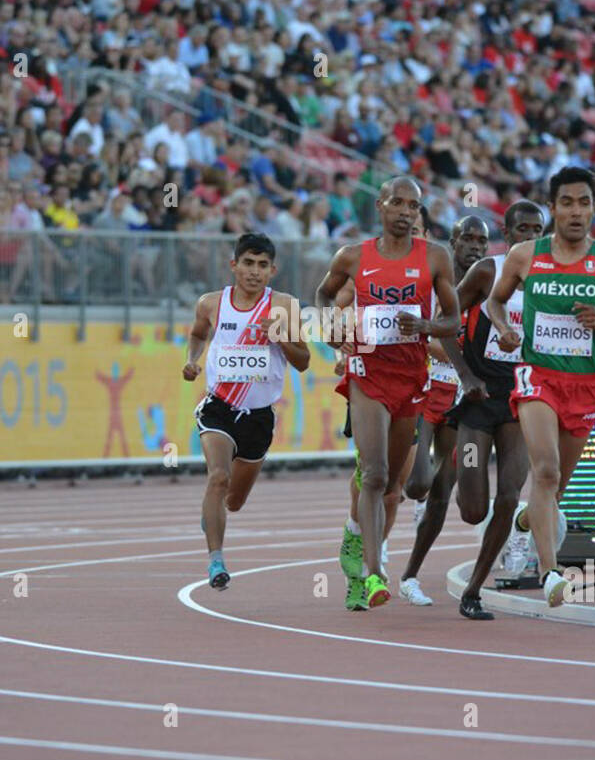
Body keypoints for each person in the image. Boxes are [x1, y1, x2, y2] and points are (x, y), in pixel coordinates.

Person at [486, 166, 595, 609]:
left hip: (585, 383)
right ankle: (549, 571)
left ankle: (528, 516)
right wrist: (503, 329)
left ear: (593, 207)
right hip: (537, 375)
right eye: (567, 203)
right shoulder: (525, 256)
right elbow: (494, 302)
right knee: (546, 471)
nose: (576, 212)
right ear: (553, 207)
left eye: (584, 202)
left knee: (556, 489)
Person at [316, 177, 461, 611]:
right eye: (396, 202)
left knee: (395, 486)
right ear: (380, 206)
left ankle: (355, 534)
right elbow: (324, 296)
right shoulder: (353, 257)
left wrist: (425, 327)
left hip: (412, 379)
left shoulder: (435, 258)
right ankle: (373, 574)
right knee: (375, 475)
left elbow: (452, 321)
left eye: (412, 205)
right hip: (366, 373)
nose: (404, 211)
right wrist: (332, 328)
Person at [183, 233, 310, 589]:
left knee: (234, 501)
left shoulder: (284, 305)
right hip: (218, 408)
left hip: (258, 416)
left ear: (273, 270)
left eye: (262, 266)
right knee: (218, 478)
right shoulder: (211, 303)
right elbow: (197, 334)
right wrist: (192, 361)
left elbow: (303, 362)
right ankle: (216, 562)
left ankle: (217, 513)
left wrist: (282, 335)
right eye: (248, 264)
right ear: (233, 265)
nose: (254, 272)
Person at [447, 199, 549, 619]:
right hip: (478, 402)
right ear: (507, 236)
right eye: (522, 230)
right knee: (474, 510)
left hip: (521, 400)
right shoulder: (487, 273)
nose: (530, 237)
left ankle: (473, 591)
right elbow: (442, 321)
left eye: (537, 230)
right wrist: (465, 376)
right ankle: (468, 487)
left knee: (509, 496)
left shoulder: (553, 281)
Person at [396, 213, 490, 606]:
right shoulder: (433, 279)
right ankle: (409, 485)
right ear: (451, 242)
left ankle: (410, 576)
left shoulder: (489, 285)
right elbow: (422, 332)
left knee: (442, 491)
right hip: (425, 390)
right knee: (418, 484)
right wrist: (440, 339)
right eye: (466, 239)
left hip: (459, 398)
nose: (474, 247)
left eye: (481, 242)